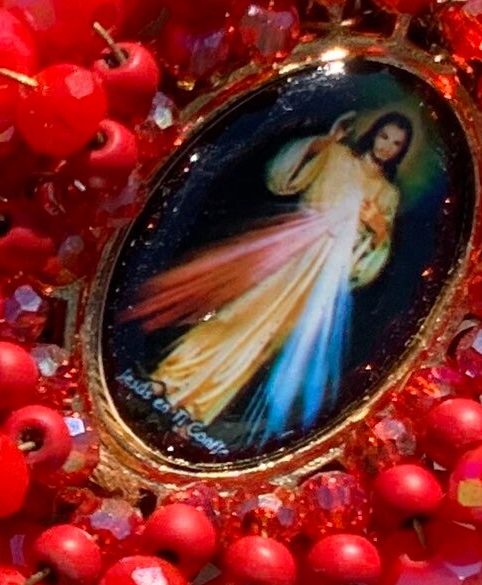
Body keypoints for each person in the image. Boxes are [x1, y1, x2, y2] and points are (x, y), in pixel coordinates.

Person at [121, 107, 418, 444]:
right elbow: (281, 178)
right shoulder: (337, 155)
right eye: (385, 136)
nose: (386, 146)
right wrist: (322, 143)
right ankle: (170, 378)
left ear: (400, 152)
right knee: (236, 313)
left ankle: (197, 409)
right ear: (374, 132)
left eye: (396, 144)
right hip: (291, 247)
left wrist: (379, 230)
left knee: (265, 341)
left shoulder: (388, 195)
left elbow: (371, 260)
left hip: (324, 276)